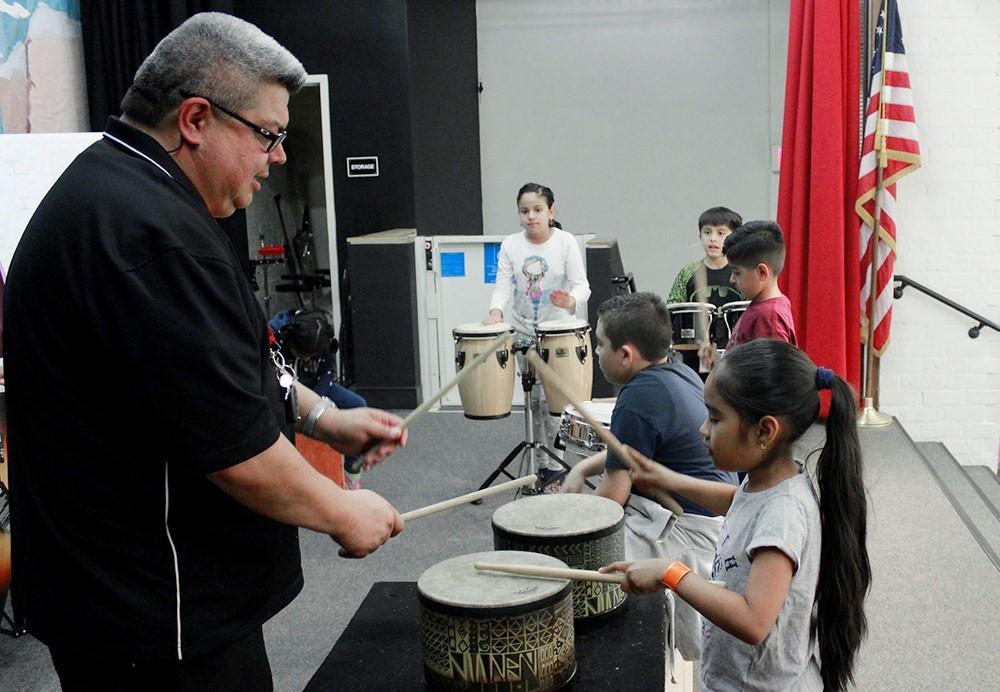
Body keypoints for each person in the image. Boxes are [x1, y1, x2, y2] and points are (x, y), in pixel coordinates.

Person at [3, 14, 407, 690]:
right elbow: (232, 449)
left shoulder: (137, 193)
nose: (277, 156)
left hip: (141, 603)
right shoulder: (148, 234)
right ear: (195, 118)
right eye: (268, 135)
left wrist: (319, 418)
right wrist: (342, 510)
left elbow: (222, 360)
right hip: (152, 616)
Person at [602, 339, 871, 692]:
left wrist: (671, 572)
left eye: (715, 418)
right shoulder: (768, 482)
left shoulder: (785, 512)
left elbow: (754, 620)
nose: (703, 430)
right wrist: (670, 479)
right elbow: (738, 501)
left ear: (765, 431)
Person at [560, 292, 737, 661]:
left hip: (693, 534)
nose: (595, 353)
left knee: (572, 564)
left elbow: (610, 501)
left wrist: (558, 524)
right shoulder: (678, 371)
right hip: (718, 520)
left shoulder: (637, 399)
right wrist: (581, 467)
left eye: (600, 344)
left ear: (625, 355)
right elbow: (628, 452)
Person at [484, 182, 591, 489]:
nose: (531, 216)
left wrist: (570, 300)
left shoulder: (565, 241)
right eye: (524, 211)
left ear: (550, 212)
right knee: (533, 402)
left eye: (537, 210)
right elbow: (503, 285)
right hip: (523, 332)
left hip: (557, 334)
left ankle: (556, 467)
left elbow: (582, 285)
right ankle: (540, 467)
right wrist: (495, 312)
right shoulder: (511, 245)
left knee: (555, 405)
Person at [270, 309, 367, 489]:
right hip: (281, 389)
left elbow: (327, 374)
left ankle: (352, 474)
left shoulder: (324, 339)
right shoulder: (276, 335)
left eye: (311, 356)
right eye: (302, 354)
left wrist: (318, 401)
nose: (307, 358)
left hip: (315, 386)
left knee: (358, 405)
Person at [701, 220, 797, 372]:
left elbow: (767, 382)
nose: (732, 279)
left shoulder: (768, 317)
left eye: (737, 272)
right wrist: (719, 364)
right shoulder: (764, 308)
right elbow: (743, 369)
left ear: (762, 272)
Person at [667, 207, 743, 376]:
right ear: (700, 236)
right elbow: (672, 307)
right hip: (694, 354)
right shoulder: (688, 272)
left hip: (734, 354)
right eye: (707, 232)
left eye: (721, 233)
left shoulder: (740, 272)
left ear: (735, 238)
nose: (712, 238)